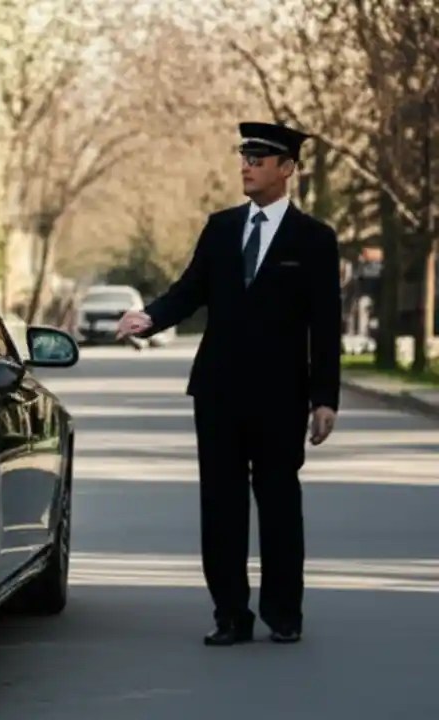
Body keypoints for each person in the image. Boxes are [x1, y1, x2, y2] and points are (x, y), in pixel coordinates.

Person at [116, 121, 342, 647]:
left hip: (281, 395)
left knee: (279, 501)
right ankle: (230, 615)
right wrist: (148, 317)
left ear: (287, 169)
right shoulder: (220, 228)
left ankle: (284, 612)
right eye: (244, 157)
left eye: (260, 159)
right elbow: (189, 289)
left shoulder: (314, 240)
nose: (247, 166)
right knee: (220, 504)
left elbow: (326, 323)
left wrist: (324, 398)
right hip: (218, 390)